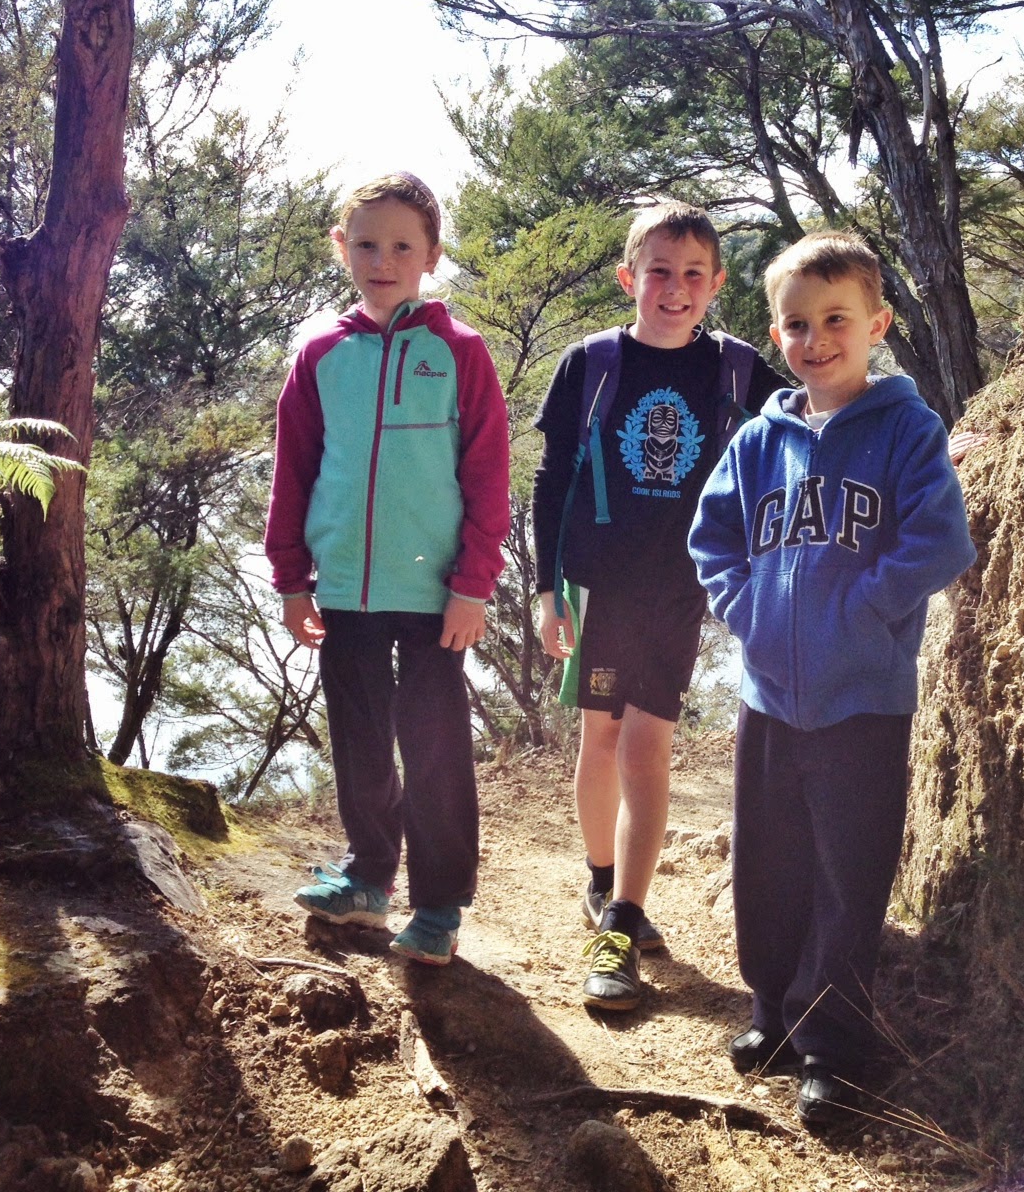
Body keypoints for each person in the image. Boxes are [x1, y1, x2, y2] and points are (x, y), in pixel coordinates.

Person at [687, 229, 976, 1128]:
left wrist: (862, 611)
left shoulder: (907, 429)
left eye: (835, 319)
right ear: (778, 335)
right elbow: (713, 540)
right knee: (769, 867)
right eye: (797, 323)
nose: (816, 339)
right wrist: (749, 612)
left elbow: (940, 541)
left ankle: (834, 1048)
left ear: (877, 323)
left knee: (849, 878)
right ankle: (771, 1013)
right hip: (769, 698)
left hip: (863, 703)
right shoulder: (757, 442)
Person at [532, 202, 790, 1012]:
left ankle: (623, 921)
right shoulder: (591, 364)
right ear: (628, 278)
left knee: (646, 746)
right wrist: (547, 590)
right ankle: (601, 879)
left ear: (716, 284)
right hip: (597, 584)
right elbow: (549, 482)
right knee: (600, 737)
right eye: (658, 272)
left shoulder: (739, 370)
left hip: (683, 589)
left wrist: (918, 437)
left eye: (692, 275)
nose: (674, 289)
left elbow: (819, 413)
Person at [264, 172, 511, 966]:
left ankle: (439, 905)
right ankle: (369, 879)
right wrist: (293, 579)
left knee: (436, 748)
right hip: (344, 589)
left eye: (403, 245)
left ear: (432, 255)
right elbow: (293, 470)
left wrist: (475, 584)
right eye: (366, 243)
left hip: (438, 593)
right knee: (362, 743)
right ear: (342, 248)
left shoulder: (461, 352)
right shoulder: (320, 355)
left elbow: (487, 475)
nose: (383, 259)